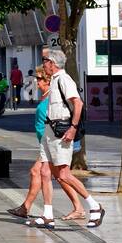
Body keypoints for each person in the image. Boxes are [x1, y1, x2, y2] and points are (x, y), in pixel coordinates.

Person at [37, 48, 104, 228]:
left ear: (52, 63)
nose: (43, 64)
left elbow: (78, 103)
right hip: (49, 130)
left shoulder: (65, 80)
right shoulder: (54, 81)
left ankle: (94, 206)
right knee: (44, 171)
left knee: (64, 174)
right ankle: (47, 214)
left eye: (45, 60)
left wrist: (73, 128)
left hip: (61, 130)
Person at [6, 69, 82, 225]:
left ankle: (86, 206)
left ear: (48, 81)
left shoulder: (52, 97)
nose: (37, 82)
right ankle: (77, 207)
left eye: (40, 79)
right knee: (59, 176)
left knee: (48, 173)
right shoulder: (45, 97)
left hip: (53, 143)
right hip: (47, 144)